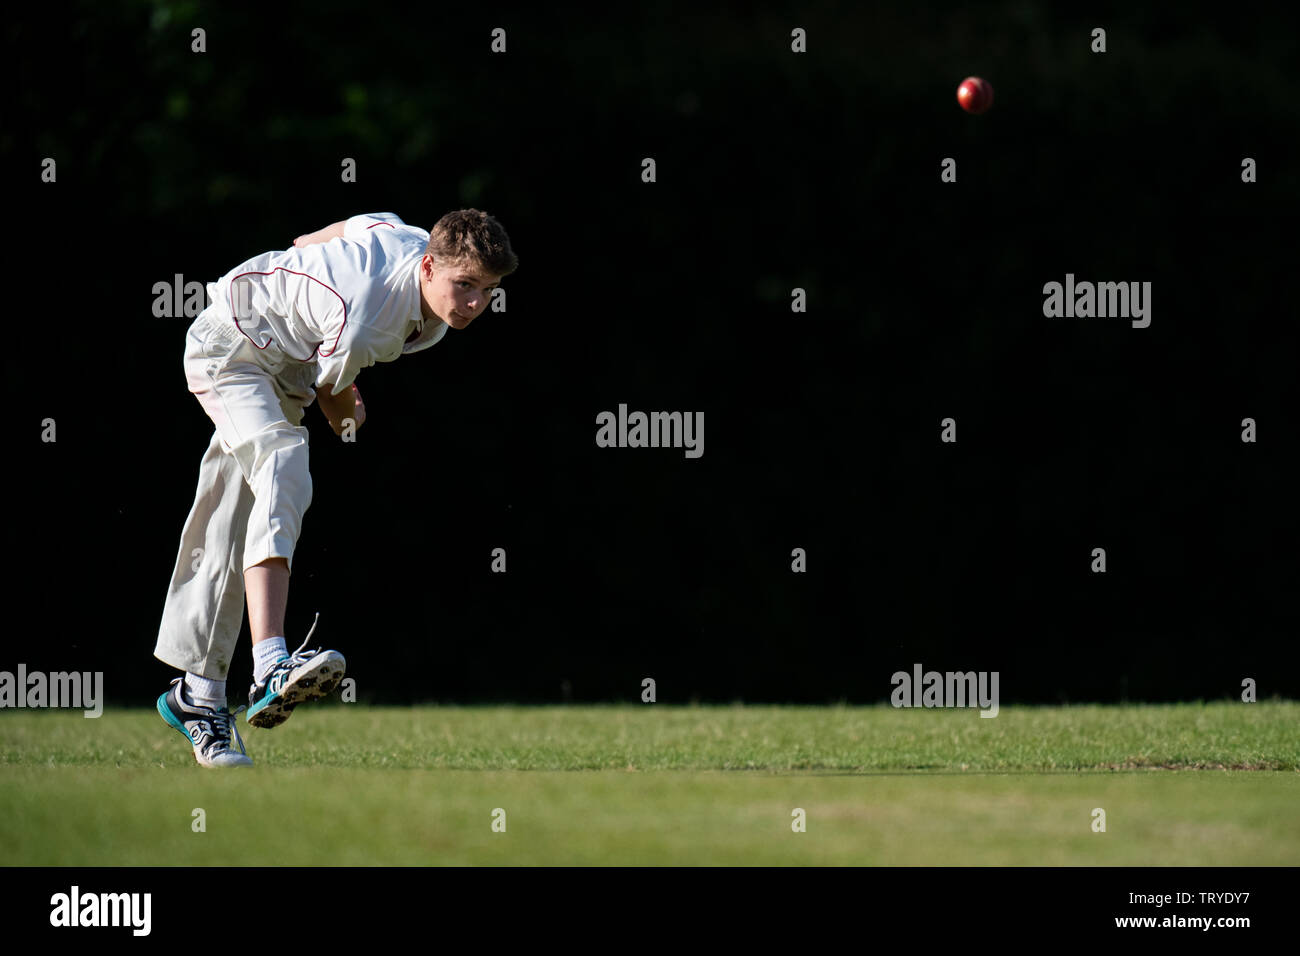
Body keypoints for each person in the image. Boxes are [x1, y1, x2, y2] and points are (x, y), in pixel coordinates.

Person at [155, 209, 518, 766]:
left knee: (230, 519)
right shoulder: (368, 313)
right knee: (283, 464)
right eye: (463, 286)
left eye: (487, 291)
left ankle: (198, 696)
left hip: (288, 363)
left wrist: (308, 268)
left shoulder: (411, 244)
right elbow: (335, 401)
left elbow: (334, 230)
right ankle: (270, 663)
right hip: (233, 347)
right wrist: (350, 415)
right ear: (427, 266)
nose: (473, 304)